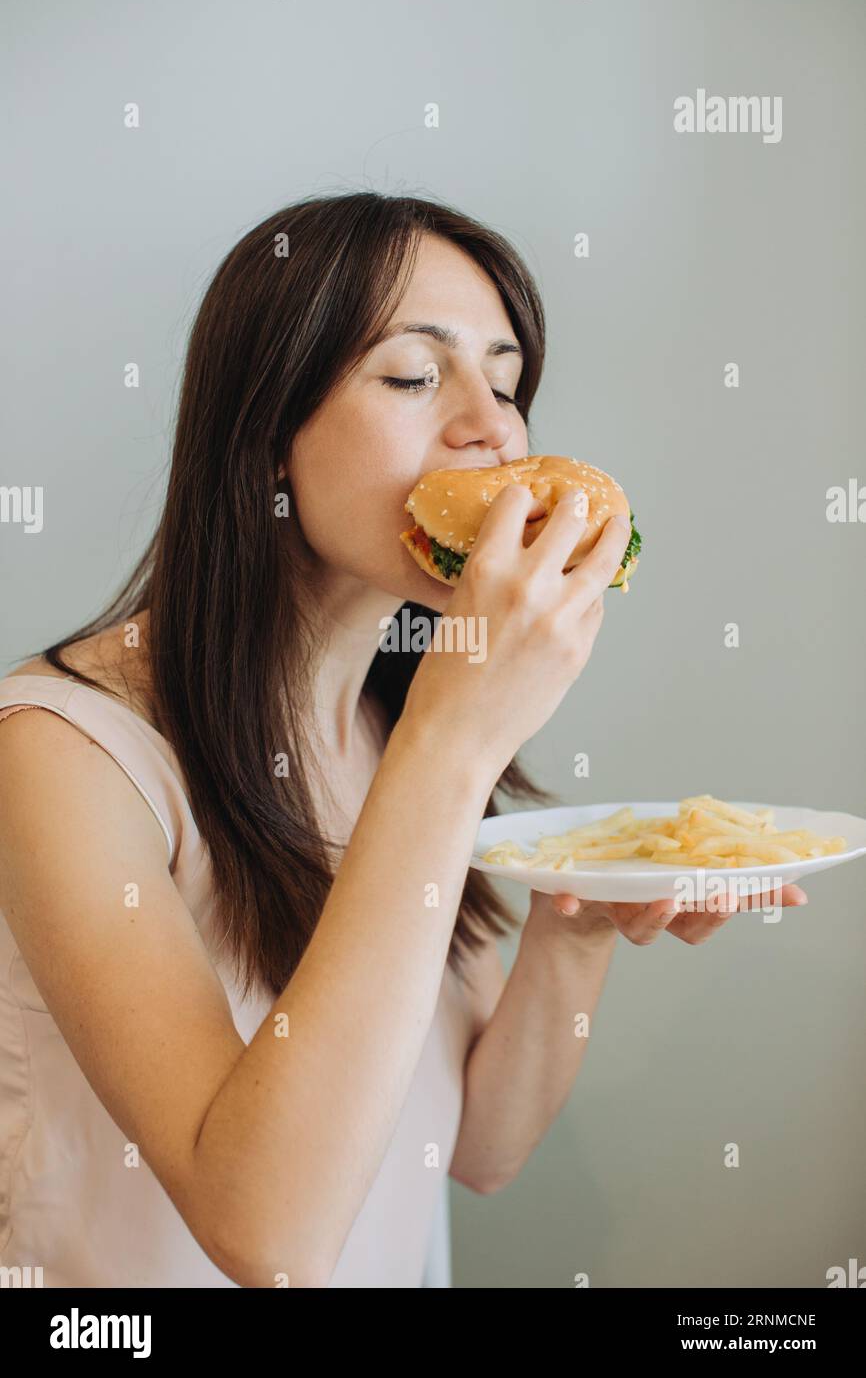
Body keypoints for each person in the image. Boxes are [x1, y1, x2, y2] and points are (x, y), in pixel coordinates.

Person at [0, 192, 807, 1289]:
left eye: (507, 380)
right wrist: (455, 737)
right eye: (414, 375)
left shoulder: (392, 722)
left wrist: (569, 933)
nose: (489, 427)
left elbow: (474, 1148)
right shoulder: (64, 752)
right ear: (266, 434)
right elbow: (267, 1236)